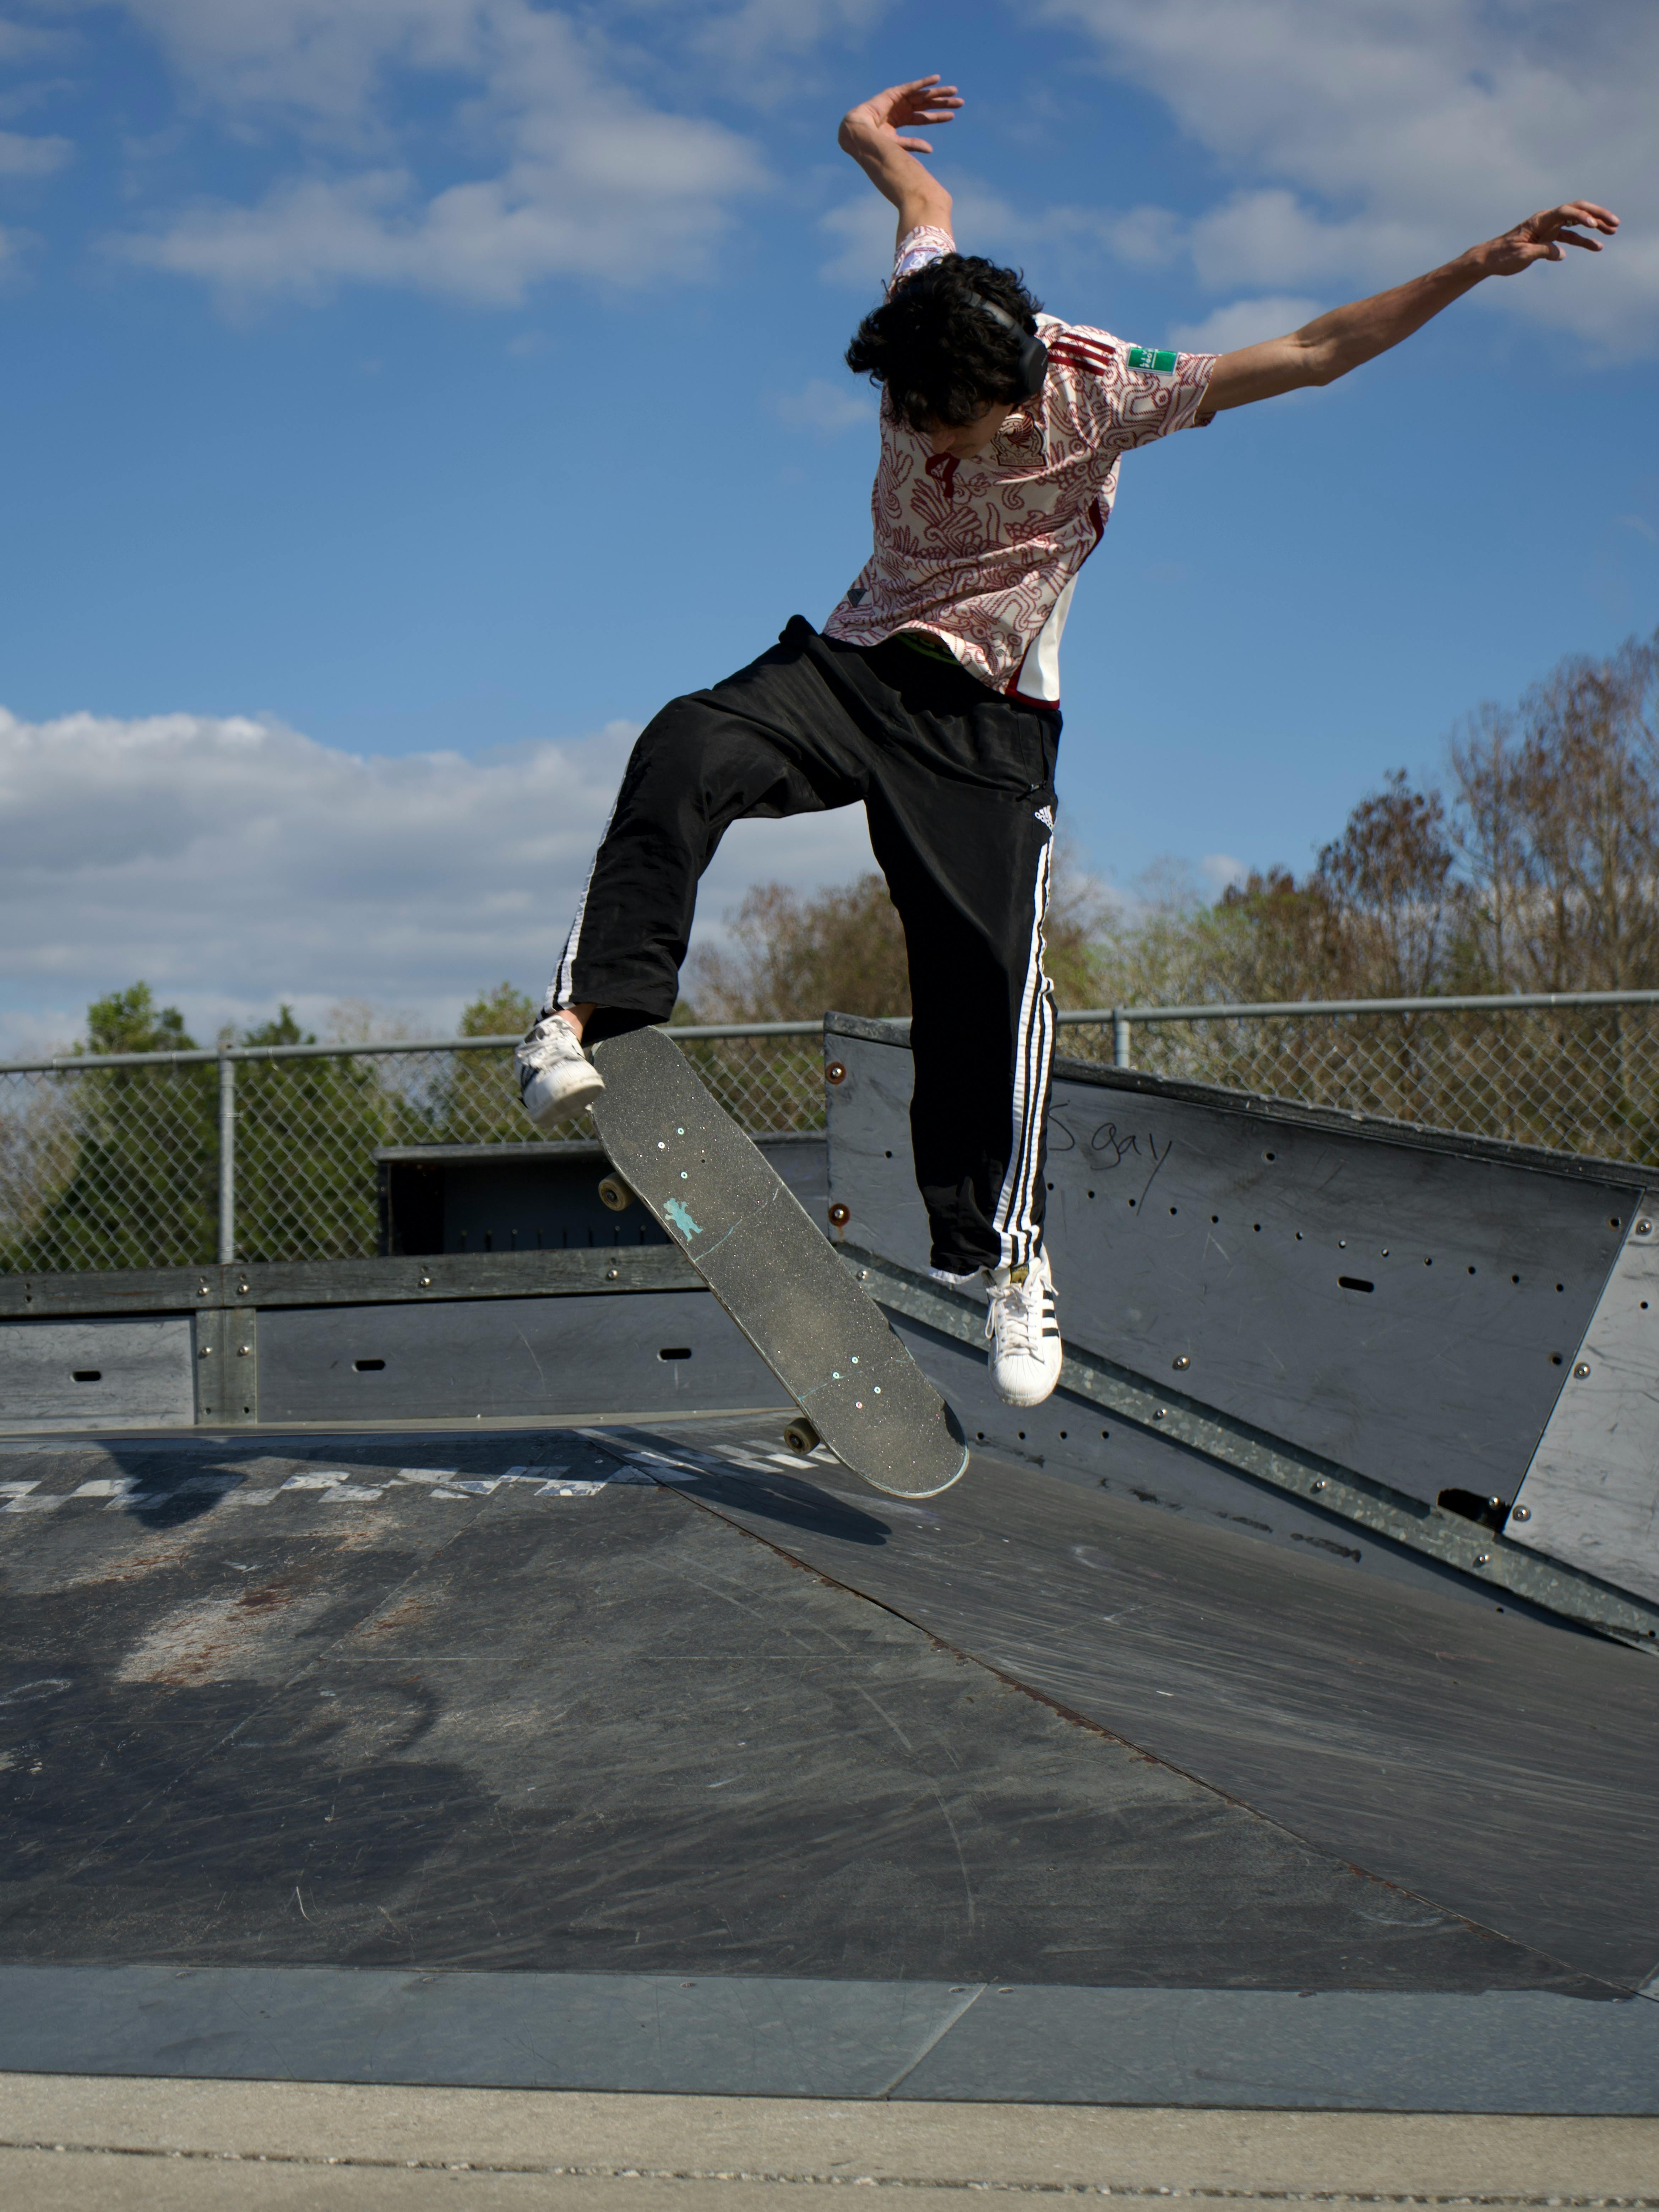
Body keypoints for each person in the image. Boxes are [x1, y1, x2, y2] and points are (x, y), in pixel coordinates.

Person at [516, 72, 1617, 1410]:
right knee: (688, 743)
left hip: (988, 725)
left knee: (988, 978)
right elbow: (922, 195)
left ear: (1014, 395)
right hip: (859, 658)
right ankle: (590, 1018)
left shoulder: (1112, 391)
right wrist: (864, 132)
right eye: (907, 413)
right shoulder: (929, 312)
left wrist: (1477, 263)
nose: (921, 438)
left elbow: (1318, 351)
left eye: (944, 422)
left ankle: (1003, 1257)